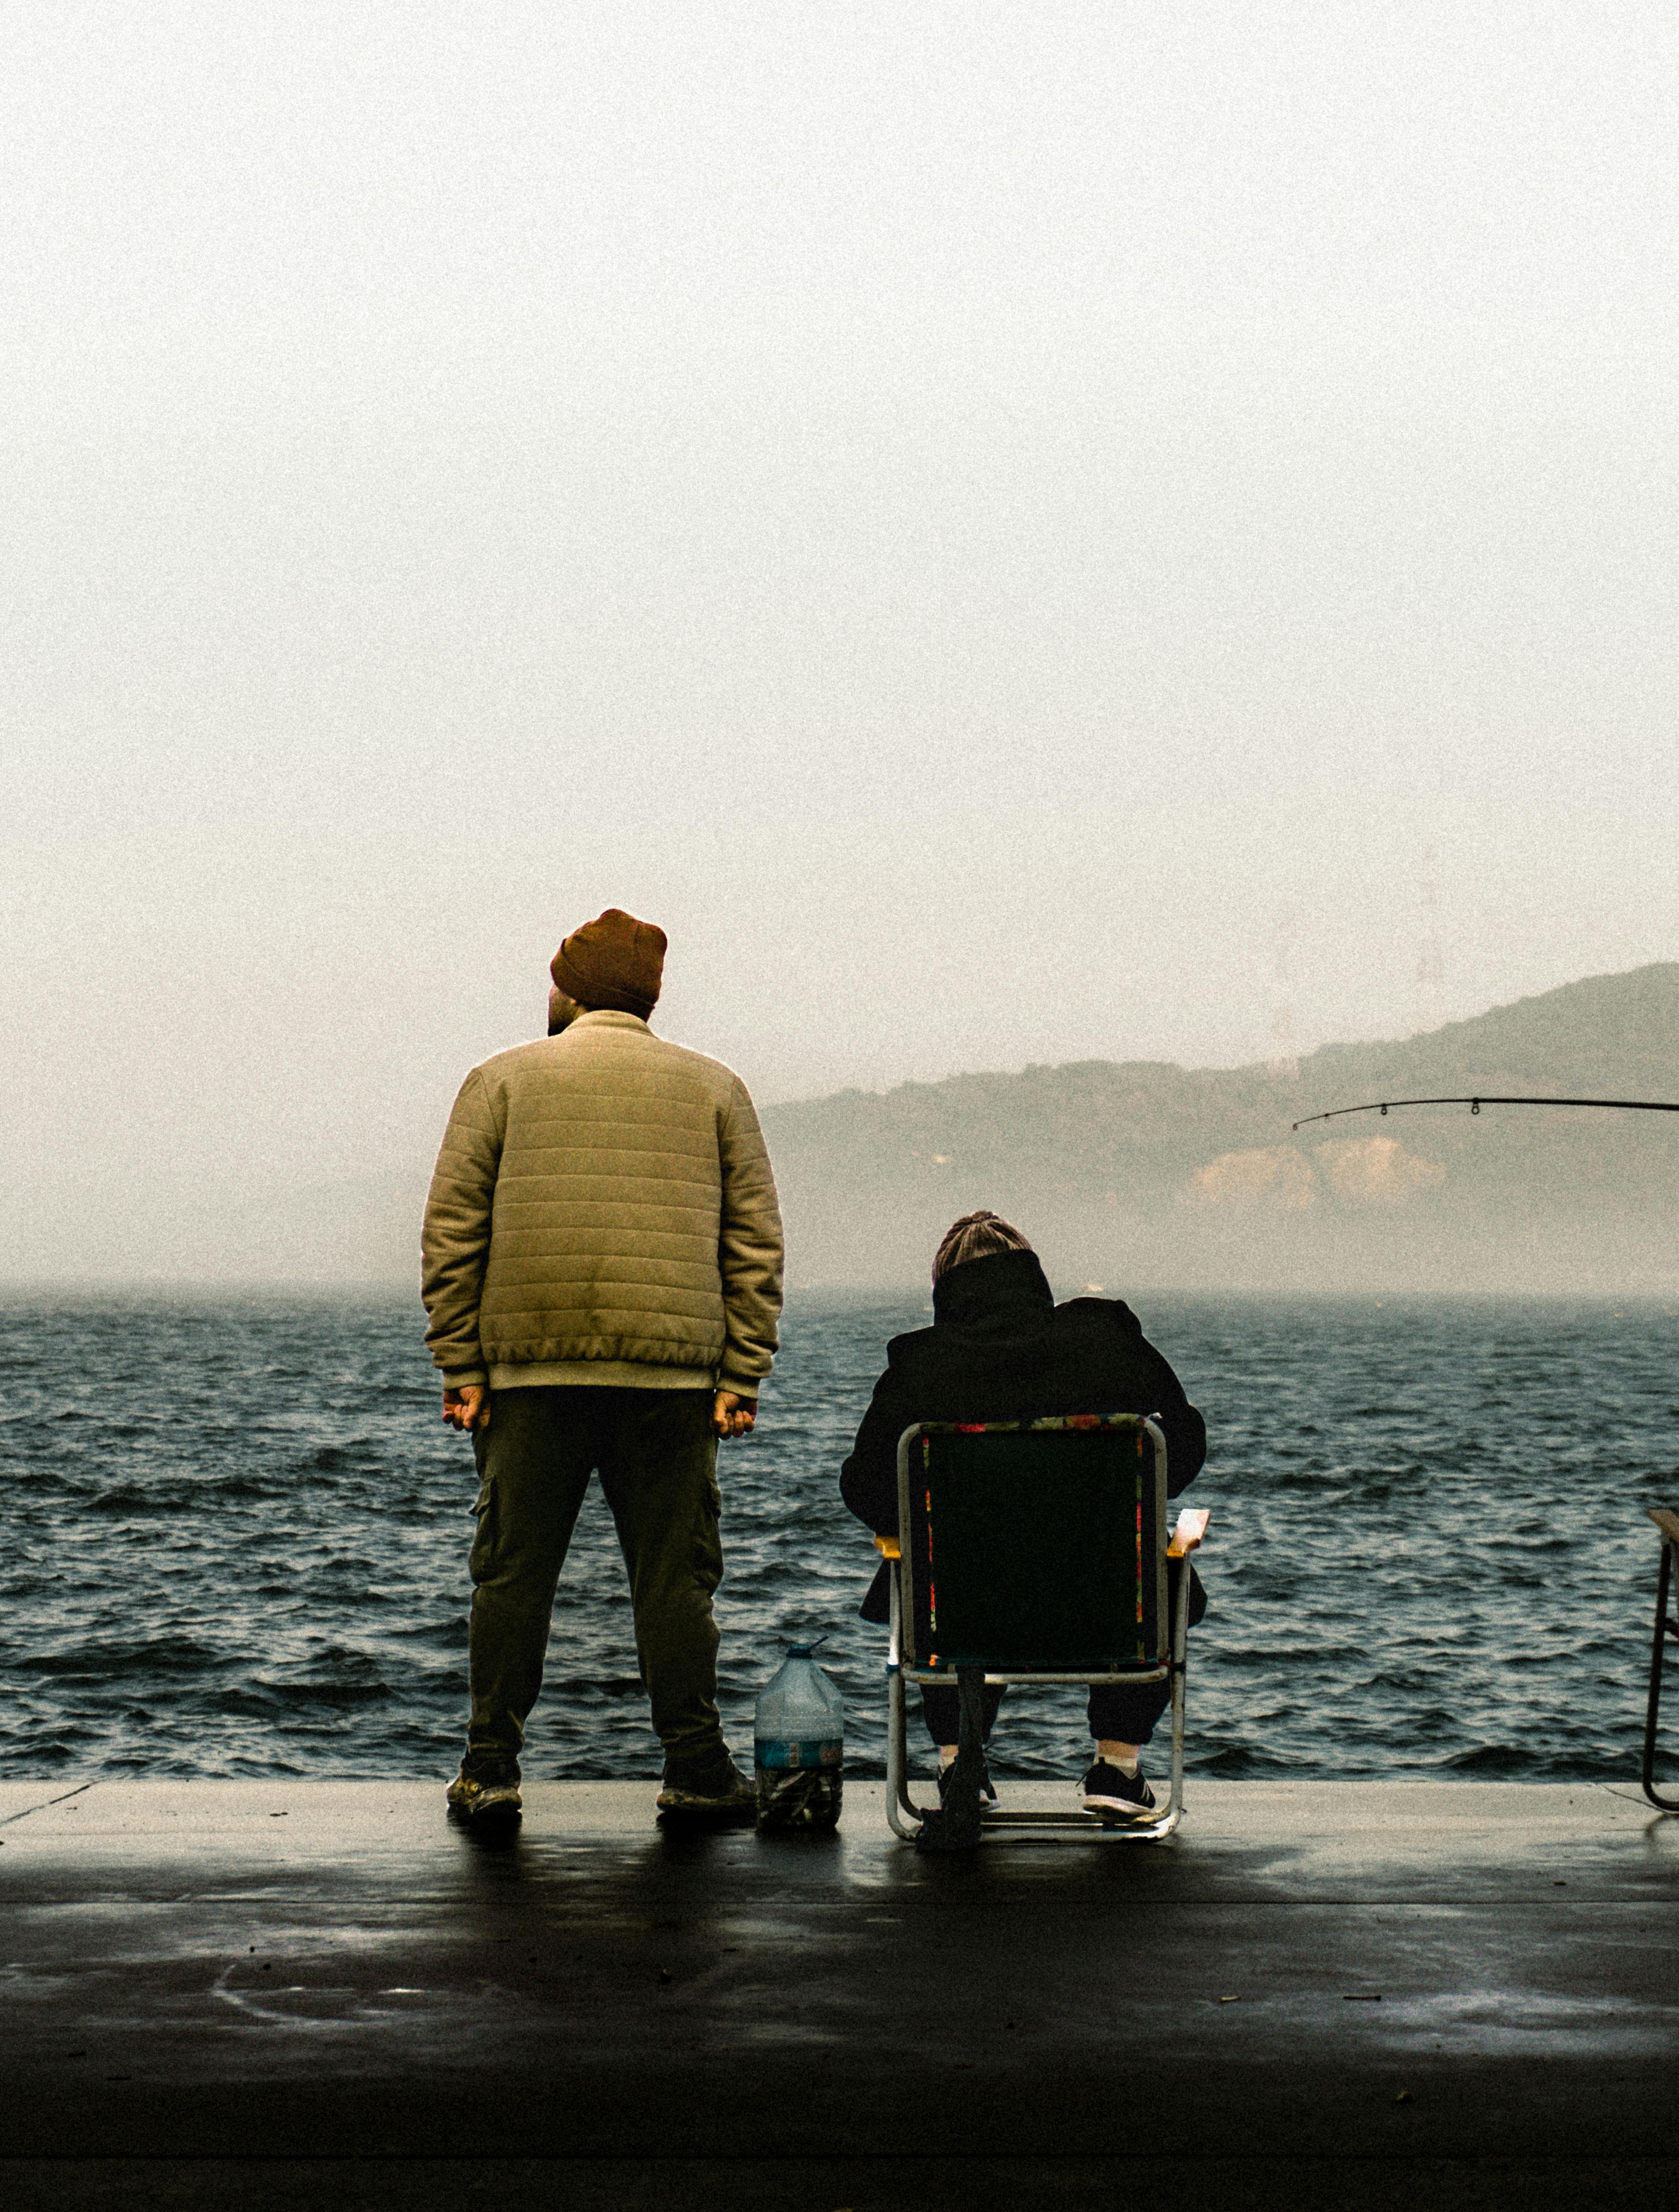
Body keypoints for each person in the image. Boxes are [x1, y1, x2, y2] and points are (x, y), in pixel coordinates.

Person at [422, 907, 784, 1824]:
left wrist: (461, 1363)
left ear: (570, 988)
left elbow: (453, 1234)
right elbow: (752, 1244)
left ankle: (491, 1765)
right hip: (670, 1382)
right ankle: (696, 1767)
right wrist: (741, 1375)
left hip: (527, 1374)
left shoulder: (497, 1081)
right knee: (674, 1580)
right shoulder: (715, 1089)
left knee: (510, 1574)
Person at [840, 1210, 1206, 1820]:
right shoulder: (1106, 1338)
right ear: (1031, 1275)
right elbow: (1185, 1447)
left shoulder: (920, 1368)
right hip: (1106, 1604)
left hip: (964, 1610)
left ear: (944, 1289)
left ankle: (960, 1760)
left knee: (933, 1571)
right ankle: (1117, 1767)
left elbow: (864, 1488)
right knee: (1162, 1565)